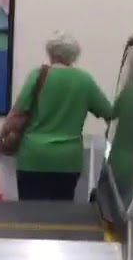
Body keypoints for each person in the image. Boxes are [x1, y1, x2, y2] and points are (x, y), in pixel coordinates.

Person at [14, 32, 113, 201]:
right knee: (61, 218)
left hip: (33, 157)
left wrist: (1, 141)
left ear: (51, 53)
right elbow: (110, 114)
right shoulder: (84, 81)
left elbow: (17, 112)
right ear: (74, 55)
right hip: (67, 161)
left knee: (29, 216)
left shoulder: (37, 75)